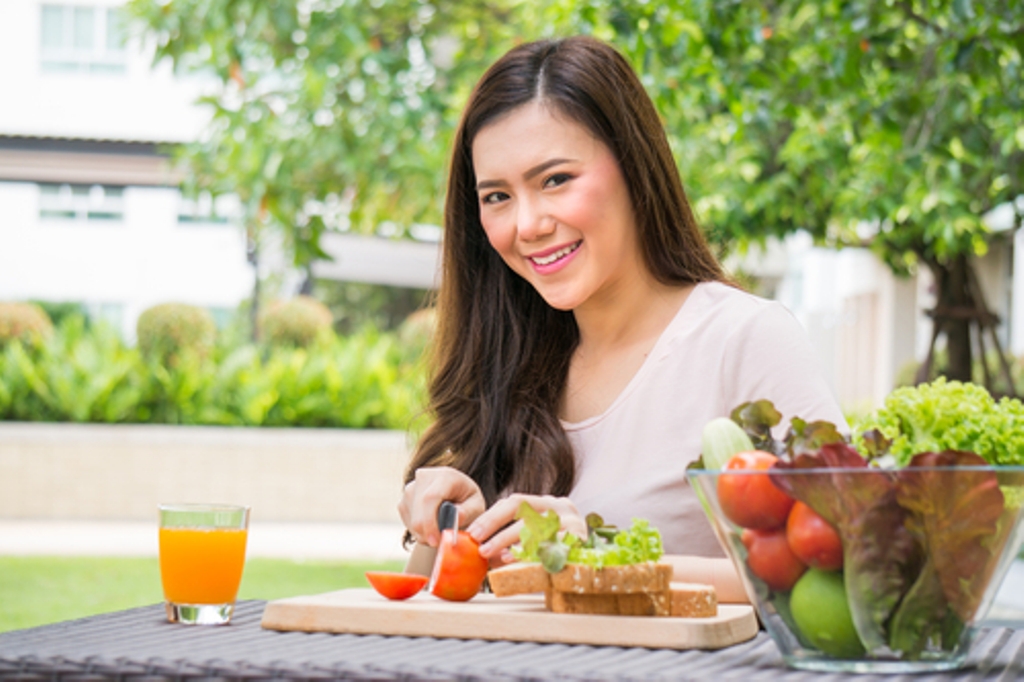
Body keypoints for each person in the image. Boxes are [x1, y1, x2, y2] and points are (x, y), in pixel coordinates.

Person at [398, 35, 846, 600]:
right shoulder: (509, 361)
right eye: (497, 197)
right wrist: (449, 524)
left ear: (633, 166)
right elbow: (430, 610)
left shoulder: (743, 340)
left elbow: (838, 569)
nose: (527, 225)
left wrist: (598, 558)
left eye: (555, 180)